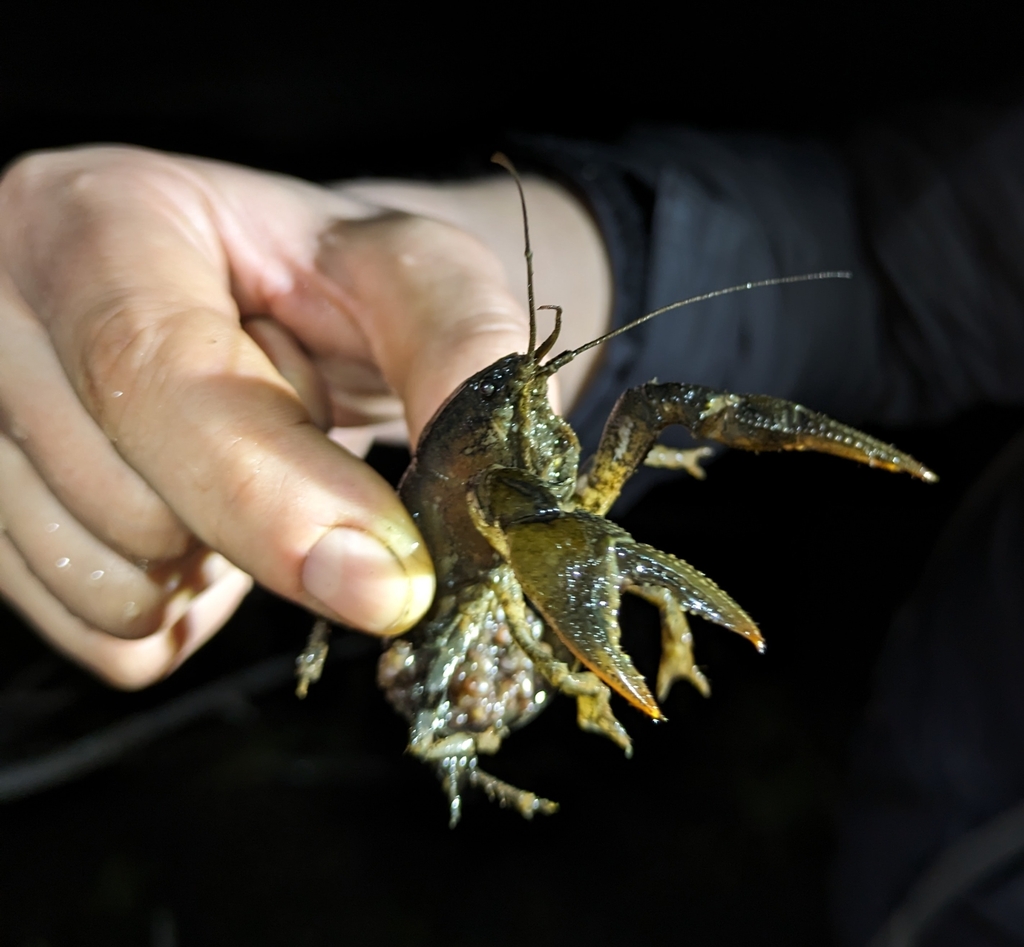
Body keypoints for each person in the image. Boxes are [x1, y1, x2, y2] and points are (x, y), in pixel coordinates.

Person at [2, 110, 1023, 944]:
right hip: (905, 816)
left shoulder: (549, 493)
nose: (535, 413)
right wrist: (364, 257)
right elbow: (894, 263)